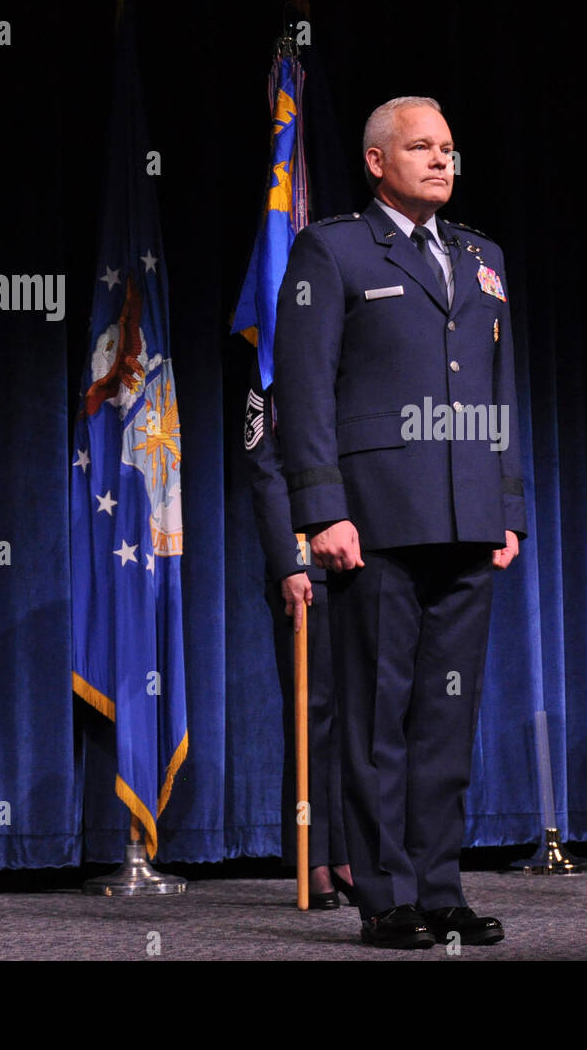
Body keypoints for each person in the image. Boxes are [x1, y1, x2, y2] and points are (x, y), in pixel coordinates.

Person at [273, 96, 526, 949]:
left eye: (450, 148)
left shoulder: (482, 256)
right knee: (378, 716)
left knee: (447, 718)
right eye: (422, 147)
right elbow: (303, 395)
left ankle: (441, 885)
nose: (441, 160)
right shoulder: (333, 248)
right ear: (378, 161)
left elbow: (500, 393)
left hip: (468, 516)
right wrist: (321, 510)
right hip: (374, 519)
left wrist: (508, 505)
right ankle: (387, 895)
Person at [239, 350, 354, 909]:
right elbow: (266, 473)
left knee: (362, 718)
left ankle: (351, 852)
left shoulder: (355, 367)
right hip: (307, 565)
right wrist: (290, 561)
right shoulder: (271, 379)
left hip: (364, 562)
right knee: (314, 717)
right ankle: (315, 858)